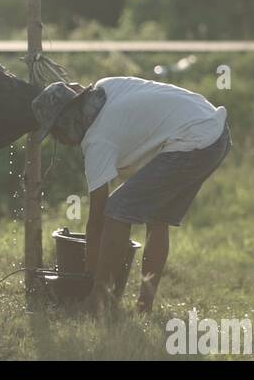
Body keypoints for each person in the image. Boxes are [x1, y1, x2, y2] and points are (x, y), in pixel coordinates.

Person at [31, 76, 231, 314]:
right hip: (215, 133)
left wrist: (88, 277)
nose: (60, 140)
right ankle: (144, 307)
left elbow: (97, 220)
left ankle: (98, 303)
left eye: (56, 133)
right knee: (158, 219)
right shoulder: (106, 86)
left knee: (116, 210)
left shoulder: (97, 139)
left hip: (193, 139)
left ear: (67, 122)